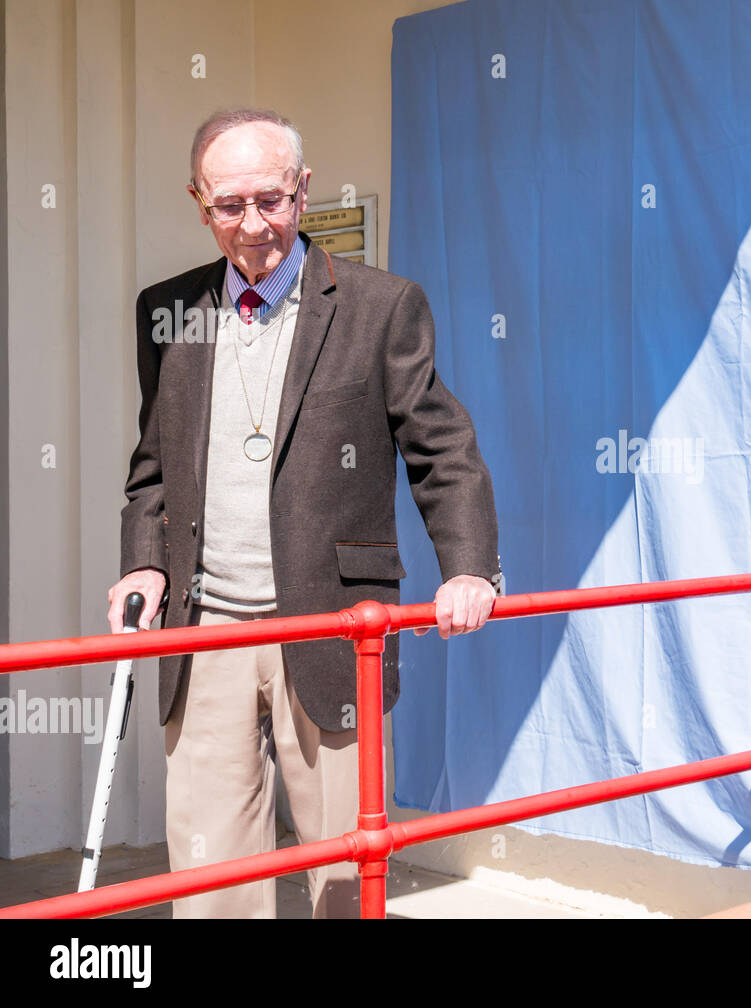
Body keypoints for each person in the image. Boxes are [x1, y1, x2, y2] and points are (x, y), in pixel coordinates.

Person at [106, 108, 502, 918]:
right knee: (210, 880)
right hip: (205, 628)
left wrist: (469, 569)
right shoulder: (167, 311)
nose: (253, 226)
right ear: (198, 201)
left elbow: (441, 448)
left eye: (271, 200)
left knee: (345, 875)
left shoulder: (381, 306)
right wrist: (144, 559)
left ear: (304, 190)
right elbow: (153, 465)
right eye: (229, 205)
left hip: (330, 626)